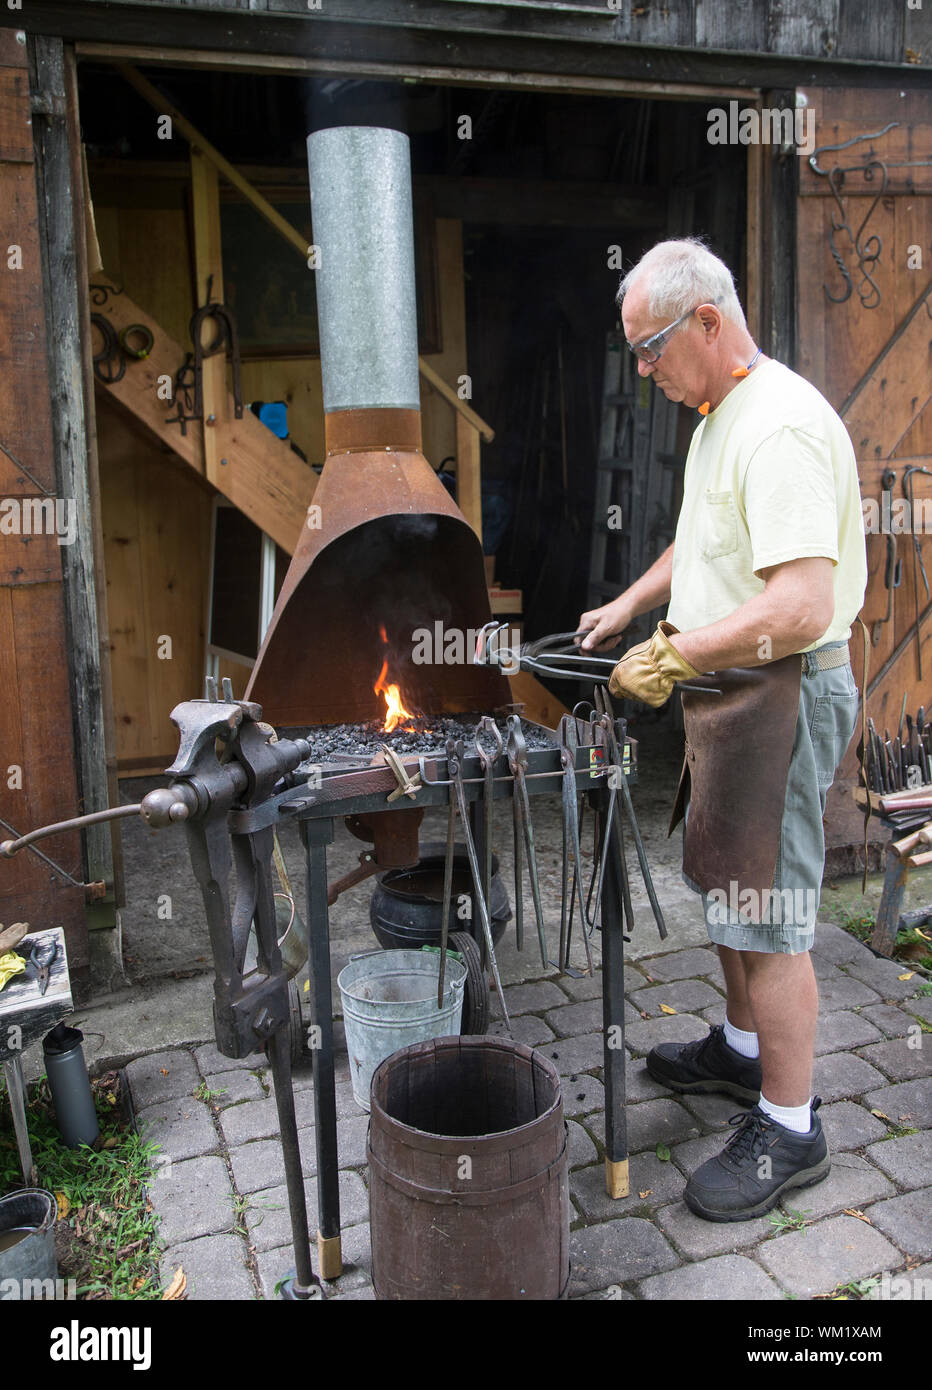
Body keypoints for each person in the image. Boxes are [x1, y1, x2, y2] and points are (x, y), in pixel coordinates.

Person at [578, 238, 867, 1223]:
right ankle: (741, 1054)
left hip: (777, 691)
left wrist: (670, 656)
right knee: (728, 884)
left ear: (707, 322)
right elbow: (701, 532)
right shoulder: (718, 416)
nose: (644, 368)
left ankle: (789, 1124)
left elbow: (796, 604)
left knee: (769, 915)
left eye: (652, 347)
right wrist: (628, 606)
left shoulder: (777, 425)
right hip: (730, 690)